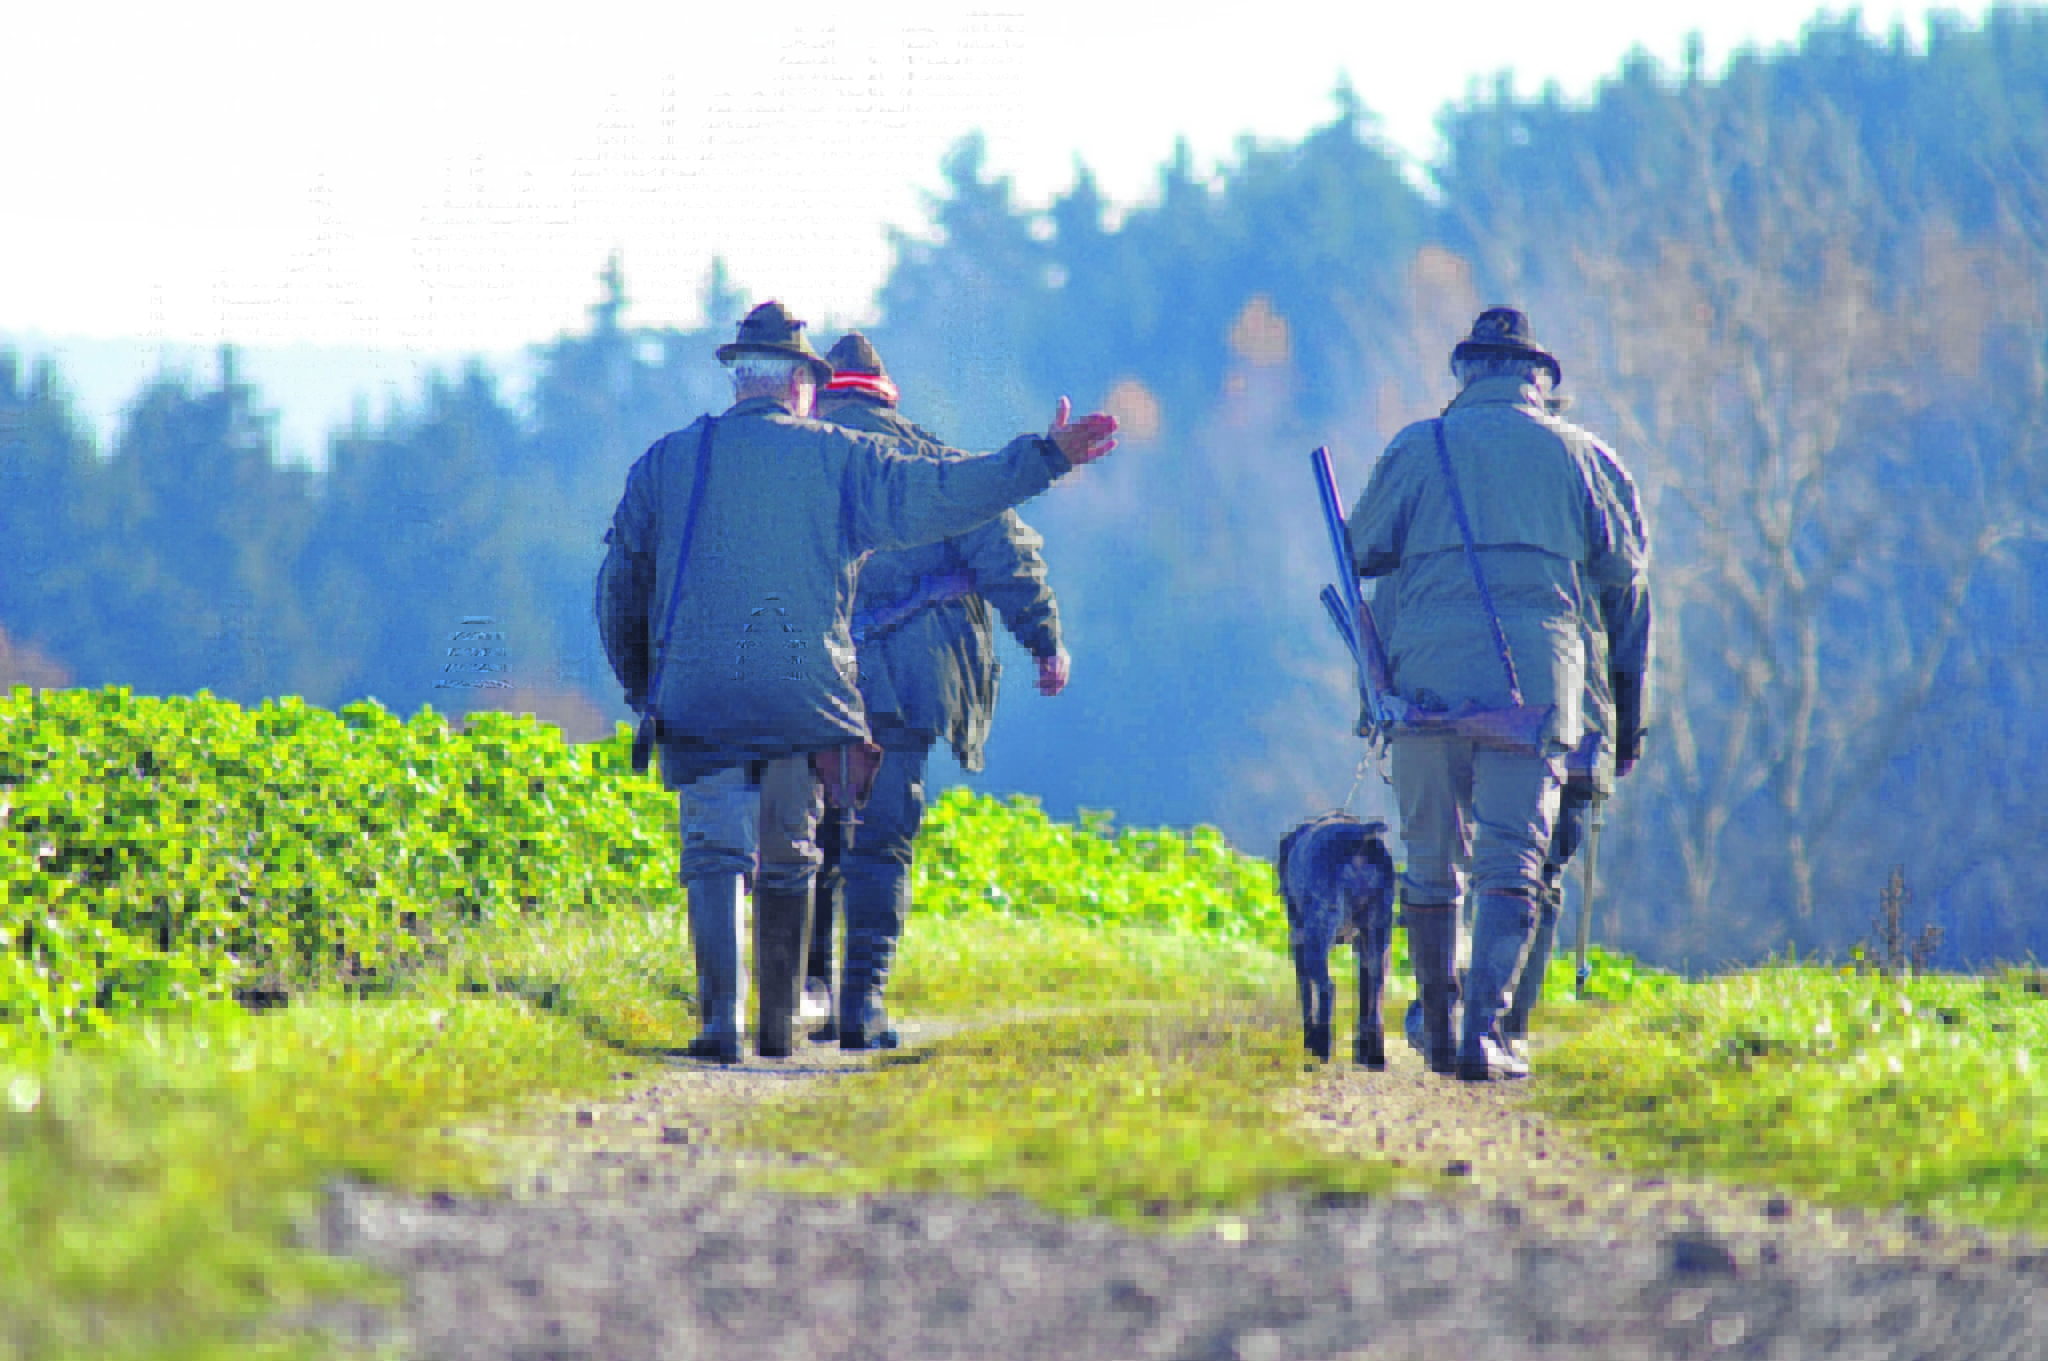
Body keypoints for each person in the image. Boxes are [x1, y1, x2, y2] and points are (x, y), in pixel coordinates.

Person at [596, 301, 1118, 1064]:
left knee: (714, 847)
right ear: (802, 385)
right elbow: (950, 496)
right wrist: (1046, 456)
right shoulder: (842, 458)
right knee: (799, 848)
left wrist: (644, 685)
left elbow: (618, 584)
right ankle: (785, 1023)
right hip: (812, 689)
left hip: (701, 688)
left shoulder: (669, 460)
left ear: (741, 379)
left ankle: (720, 1022)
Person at [1348, 305, 1651, 1082]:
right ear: (1540, 379)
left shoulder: (1420, 447)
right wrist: (1627, 710)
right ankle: (1485, 1030)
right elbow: (1626, 590)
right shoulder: (1587, 459)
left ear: (1466, 372)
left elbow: (1361, 551)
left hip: (1424, 688)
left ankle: (1440, 1023)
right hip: (1538, 687)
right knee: (1513, 860)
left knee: (1430, 858)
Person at [801, 332, 1072, 1050]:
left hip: (805, 681)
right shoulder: (927, 459)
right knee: (881, 843)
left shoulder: (793, 460)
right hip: (902, 685)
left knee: (808, 838)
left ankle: (806, 992)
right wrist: (1045, 641)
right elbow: (1005, 551)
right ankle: (862, 1004)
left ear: (823, 390)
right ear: (885, 392)